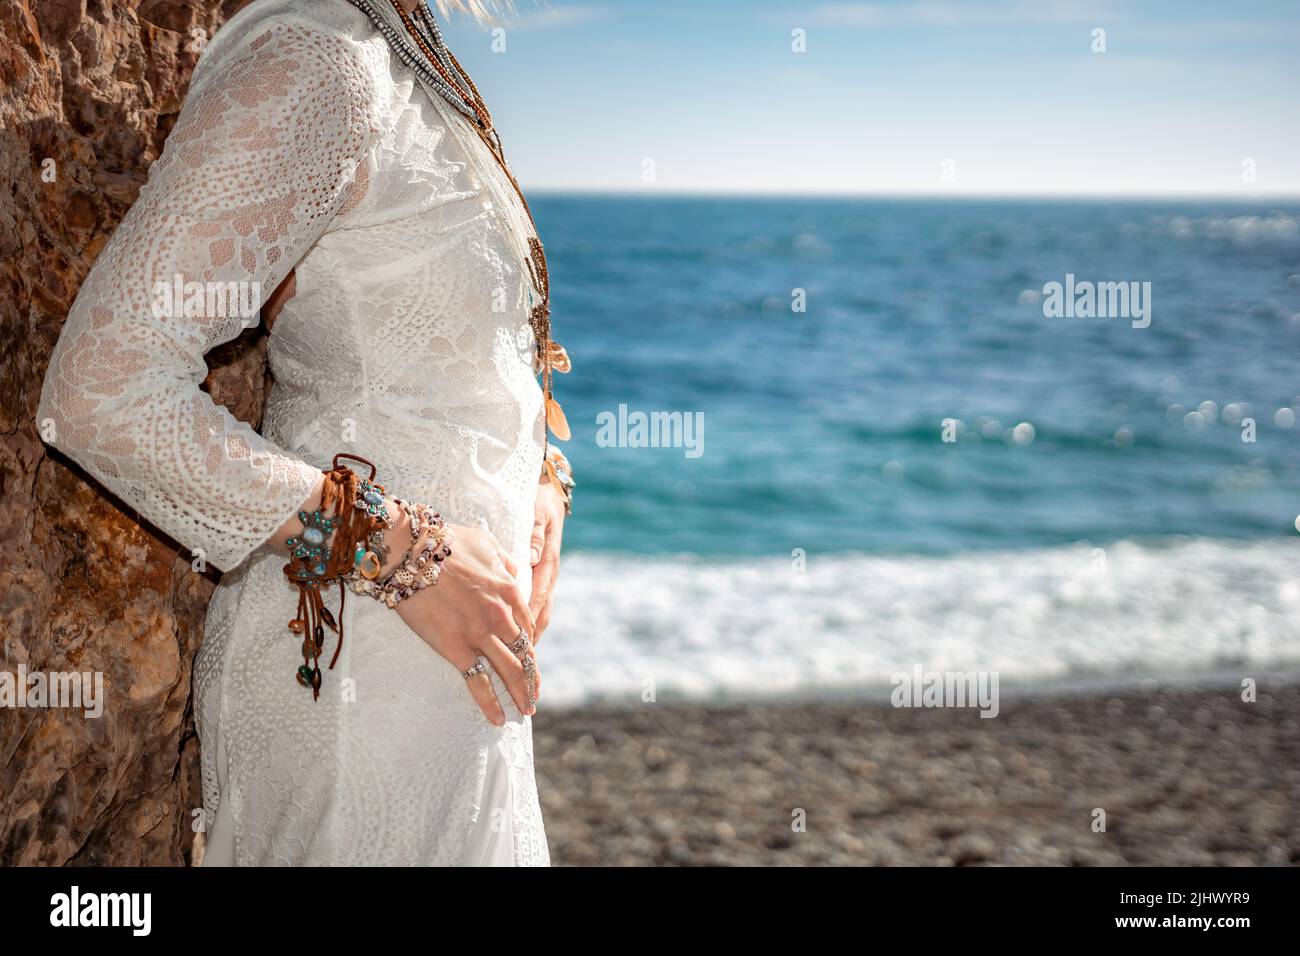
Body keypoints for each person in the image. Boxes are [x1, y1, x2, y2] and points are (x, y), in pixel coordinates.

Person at [35, 0, 573, 866]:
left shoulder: (404, 54)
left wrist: (540, 480)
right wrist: (391, 546)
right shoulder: (321, 60)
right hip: (349, 693)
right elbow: (104, 387)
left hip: (448, 697)